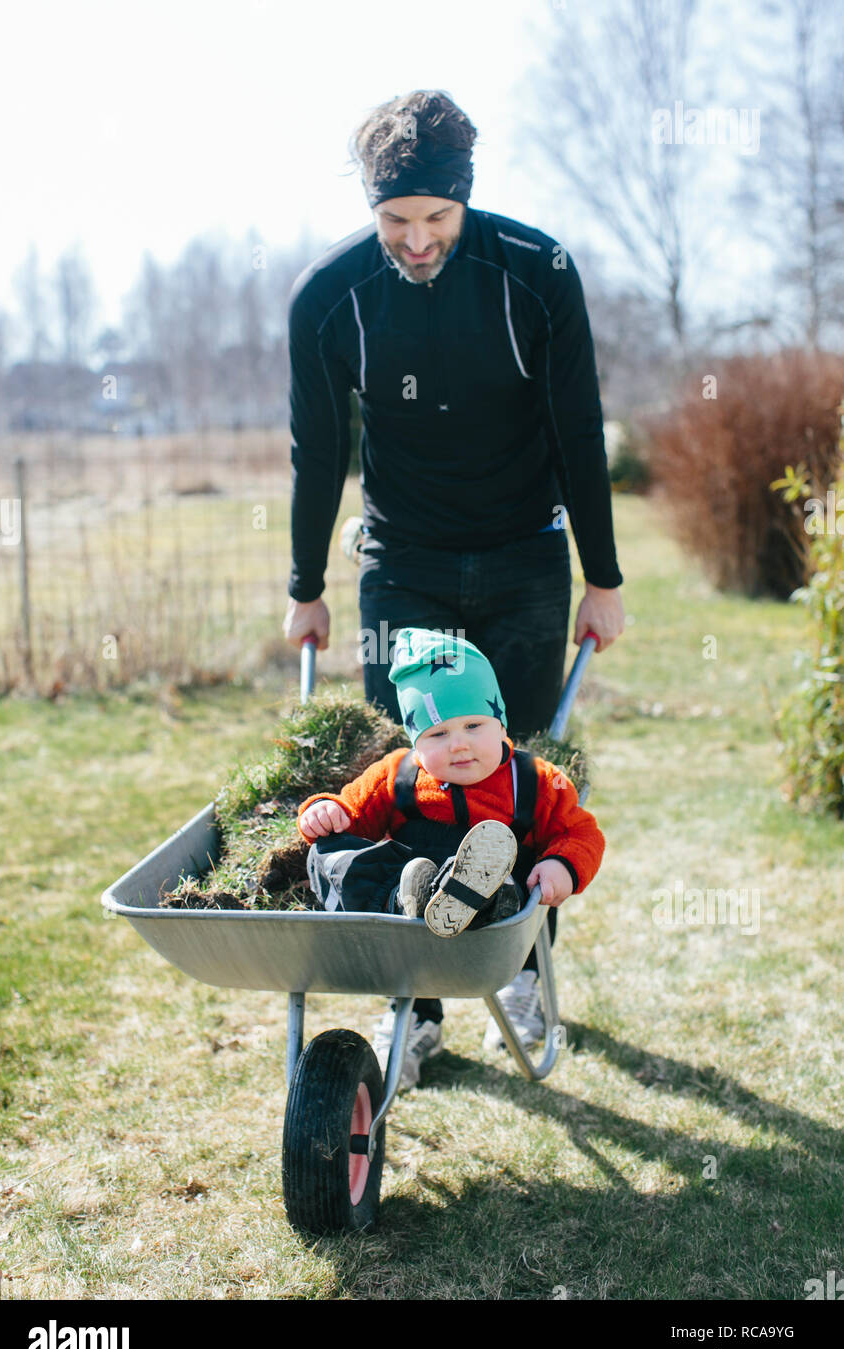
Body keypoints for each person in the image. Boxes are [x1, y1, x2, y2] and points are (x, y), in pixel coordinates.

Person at [283, 89, 623, 1052]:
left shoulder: (534, 271)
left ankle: (518, 975)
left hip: (523, 556)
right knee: (406, 775)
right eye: (395, 220)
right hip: (404, 562)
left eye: (436, 218)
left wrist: (603, 577)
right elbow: (319, 453)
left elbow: (580, 429)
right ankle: (417, 1009)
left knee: (511, 778)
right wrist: (305, 588)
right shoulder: (331, 297)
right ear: (370, 206)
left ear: (465, 202)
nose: (417, 240)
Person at [296, 629, 605, 1088]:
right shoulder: (397, 772)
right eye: (438, 733)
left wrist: (562, 864)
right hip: (404, 913)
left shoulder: (535, 779)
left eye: (473, 726)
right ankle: (415, 999)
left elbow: (580, 831)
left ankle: (516, 979)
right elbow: (352, 812)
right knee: (330, 853)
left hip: (494, 914)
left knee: (510, 875)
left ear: (502, 724)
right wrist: (325, 811)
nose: (458, 744)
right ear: (416, 742)